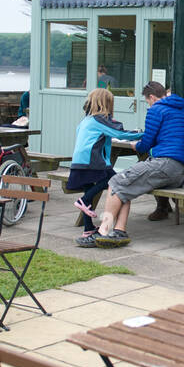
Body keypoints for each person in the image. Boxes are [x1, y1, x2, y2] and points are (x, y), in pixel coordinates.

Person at [95, 81, 184, 247]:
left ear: (151, 97)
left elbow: (146, 143)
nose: (148, 104)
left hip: (164, 164)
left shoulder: (156, 109)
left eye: (147, 101)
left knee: (116, 181)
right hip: (179, 171)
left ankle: (104, 230)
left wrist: (135, 145)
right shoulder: (182, 110)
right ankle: (118, 230)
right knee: (125, 185)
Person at [68, 88, 143, 247]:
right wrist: (143, 134)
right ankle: (84, 200)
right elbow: (121, 134)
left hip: (79, 161)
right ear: (107, 103)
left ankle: (88, 229)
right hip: (92, 161)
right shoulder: (100, 120)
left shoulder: (86, 120)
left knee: (90, 189)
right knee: (114, 181)